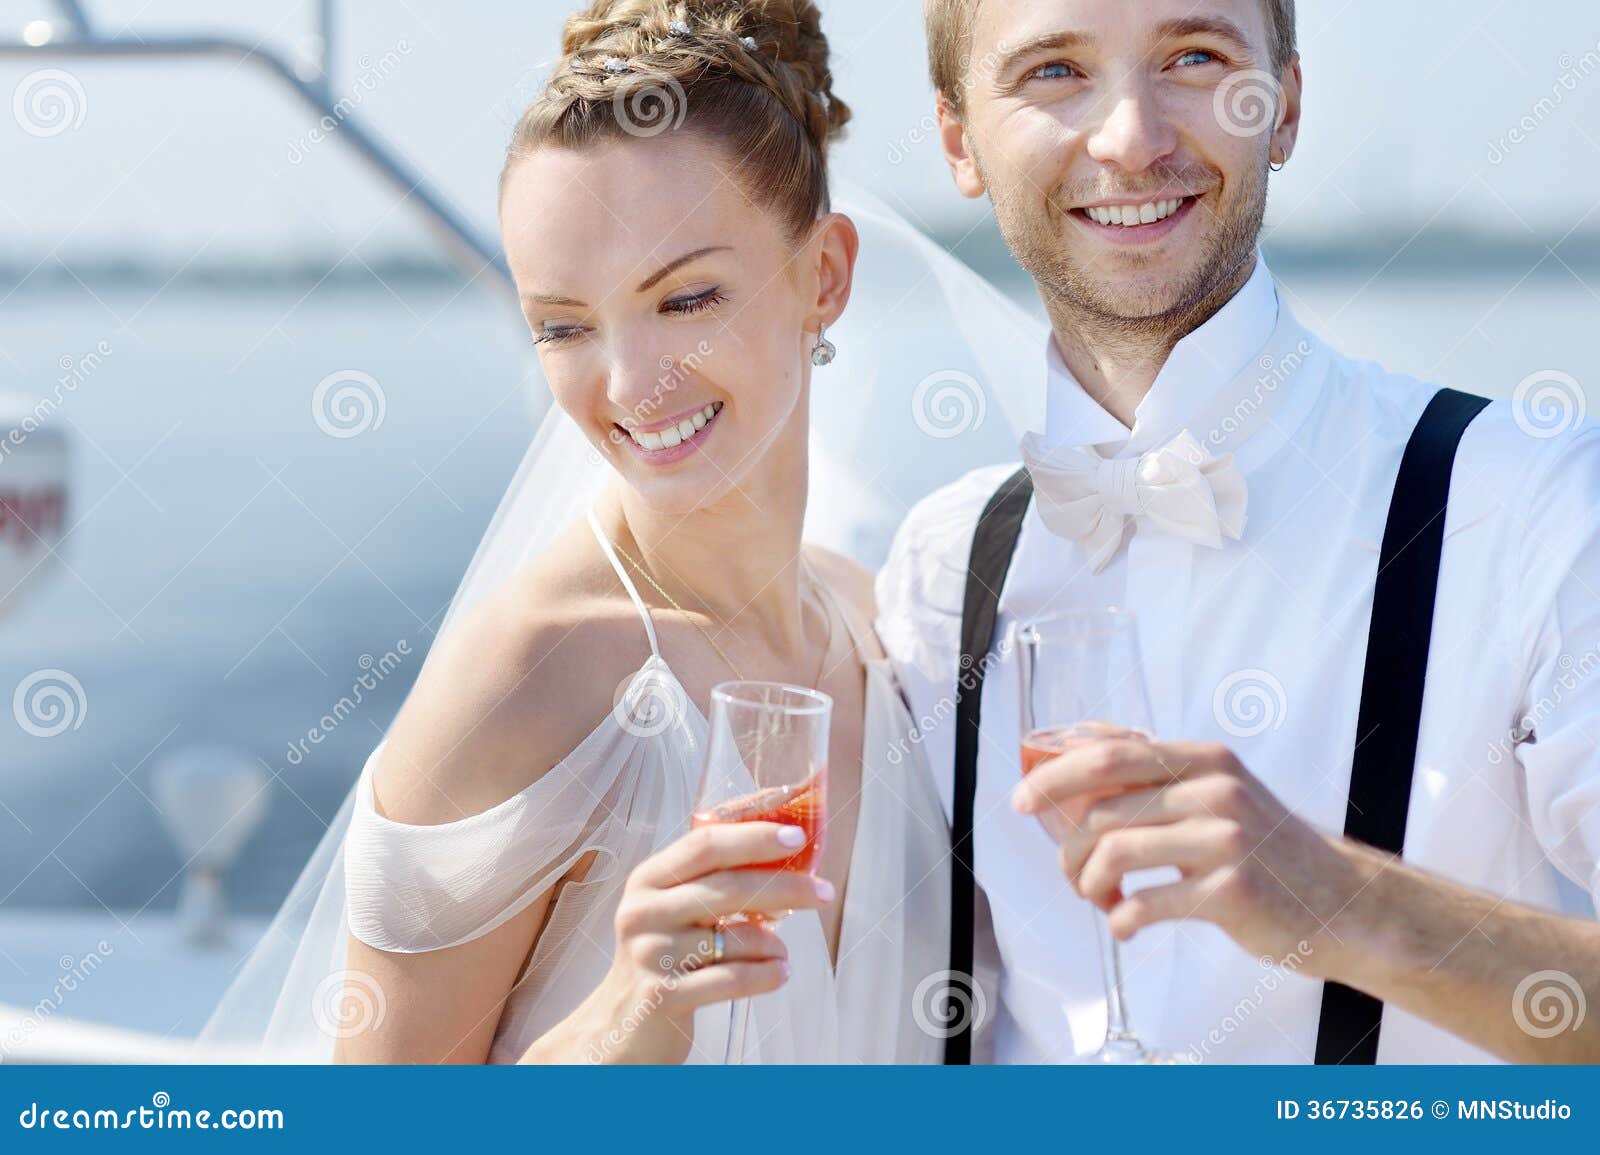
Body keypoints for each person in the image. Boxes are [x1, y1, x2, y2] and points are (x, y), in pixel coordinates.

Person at [199, 0, 981, 1064]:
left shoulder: (873, 625)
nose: (626, 386)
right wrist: (627, 1017)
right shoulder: (525, 676)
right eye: (563, 325)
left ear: (824, 278)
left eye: (687, 297)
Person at [877, 0, 1600, 1063]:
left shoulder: (1535, 500)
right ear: (959, 143)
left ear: (1286, 104)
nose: (1131, 137)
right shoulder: (939, 566)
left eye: (1193, 57)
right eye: (1052, 73)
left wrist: (1345, 902)